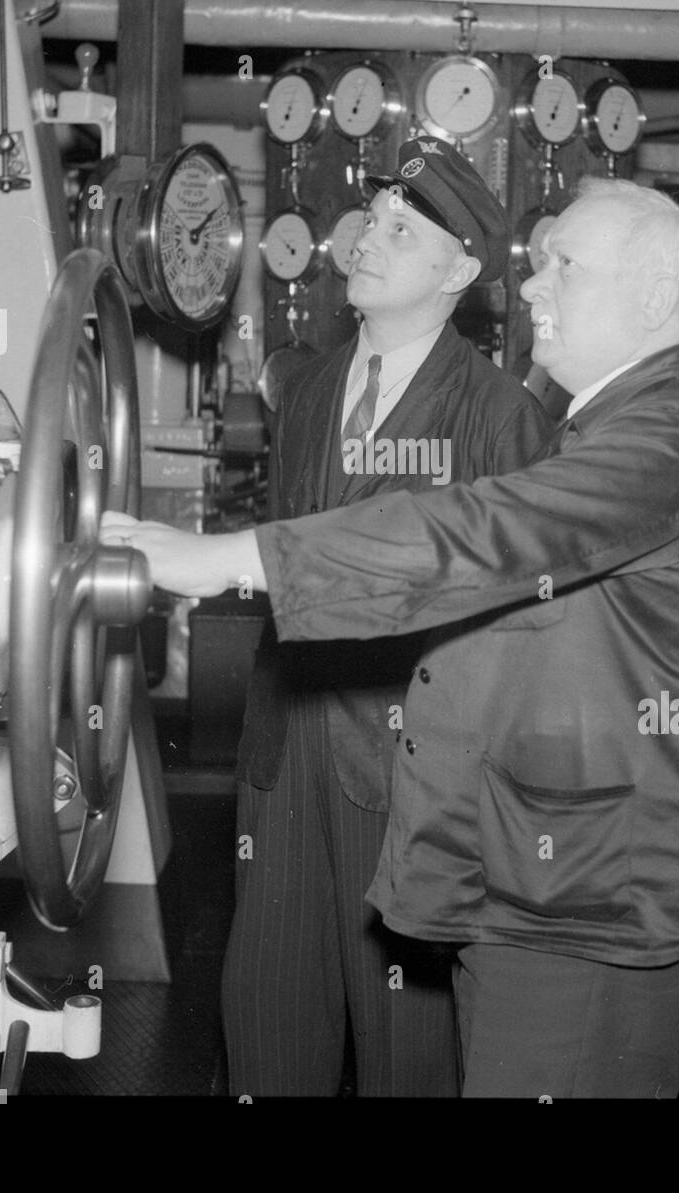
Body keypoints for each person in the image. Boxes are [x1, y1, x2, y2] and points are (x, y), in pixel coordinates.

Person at [106, 177, 679, 1098]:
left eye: (563, 267)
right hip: (541, 882)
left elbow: (474, 531)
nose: (533, 287)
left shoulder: (671, 440)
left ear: (657, 299)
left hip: (596, 906)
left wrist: (224, 556)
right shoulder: (627, 425)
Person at [220, 135, 551, 1096]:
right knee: (267, 1017)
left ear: (461, 269)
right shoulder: (312, 388)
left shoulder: (499, 419)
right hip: (283, 754)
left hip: (412, 776)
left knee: (409, 1045)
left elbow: (519, 629)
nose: (367, 237)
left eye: (402, 230)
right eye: (371, 218)